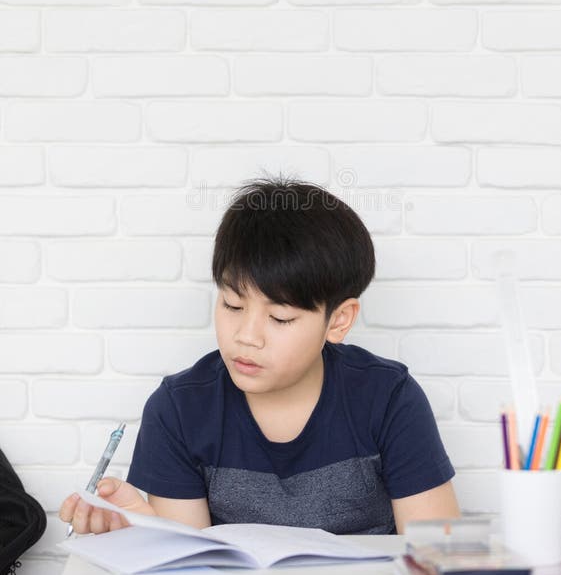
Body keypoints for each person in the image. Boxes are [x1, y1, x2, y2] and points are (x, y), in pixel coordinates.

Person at [60, 175, 459, 536]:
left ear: (339, 320)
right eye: (233, 305)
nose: (246, 336)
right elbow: (188, 574)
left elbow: (435, 560)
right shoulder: (179, 410)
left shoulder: (389, 399)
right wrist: (145, 529)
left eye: (280, 317)